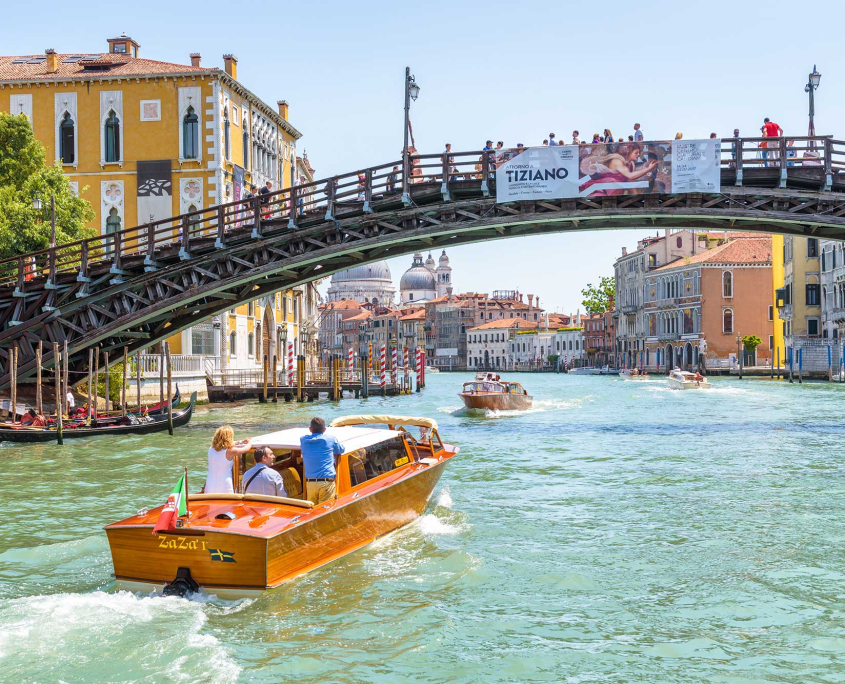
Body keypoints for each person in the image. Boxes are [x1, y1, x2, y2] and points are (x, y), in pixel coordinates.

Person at [299, 417, 344, 504]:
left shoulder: (303, 440)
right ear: (324, 429)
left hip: (310, 483)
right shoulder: (330, 439)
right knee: (326, 510)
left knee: (312, 511)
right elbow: (341, 449)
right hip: (326, 482)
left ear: (310, 429)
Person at [206, 426, 253, 494]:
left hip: (210, 484)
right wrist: (250, 442)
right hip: (224, 485)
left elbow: (226, 444)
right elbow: (245, 449)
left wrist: (239, 442)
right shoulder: (230, 451)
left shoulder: (211, 449)